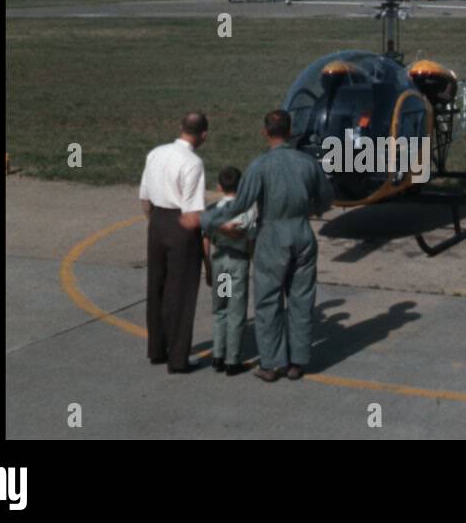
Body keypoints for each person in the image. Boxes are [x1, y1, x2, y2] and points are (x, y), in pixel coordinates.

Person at [201, 110, 334, 383]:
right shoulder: (307, 163)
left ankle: (272, 363)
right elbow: (325, 201)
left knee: (268, 300)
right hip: (302, 233)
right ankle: (298, 361)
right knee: (301, 299)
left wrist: (208, 218)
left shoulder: (260, 166)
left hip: (272, 235)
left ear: (265, 132)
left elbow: (239, 205)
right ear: (290, 131)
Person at [139, 112, 208, 374]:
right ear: (204, 135)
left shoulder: (155, 153)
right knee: (181, 293)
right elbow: (192, 213)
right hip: (180, 226)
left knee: (156, 286)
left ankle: (156, 349)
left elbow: (144, 197)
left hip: (157, 220)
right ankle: (178, 358)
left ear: (180, 127)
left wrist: (155, 222)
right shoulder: (193, 163)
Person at [202, 166, 256, 376]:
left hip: (220, 262)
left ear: (219, 186)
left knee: (221, 307)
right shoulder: (248, 212)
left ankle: (218, 353)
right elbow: (251, 239)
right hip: (238, 262)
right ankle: (233, 359)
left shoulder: (213, 210)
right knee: (236, 311)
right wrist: (249, 259)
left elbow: (205, 238)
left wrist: (207, 266)